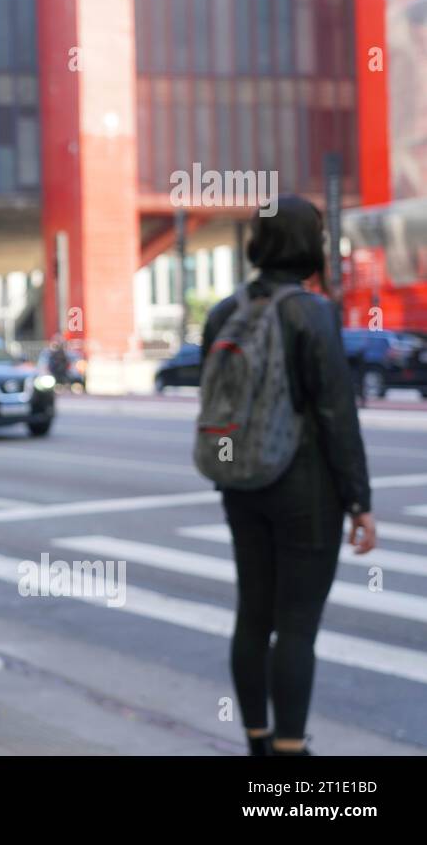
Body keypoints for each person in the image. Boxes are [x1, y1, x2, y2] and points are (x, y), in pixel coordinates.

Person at [201, 195, 376, 757]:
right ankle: (291, 755)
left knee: (253, 613)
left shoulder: (223, 311)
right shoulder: (311, 311)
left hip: (240, 484)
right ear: (309, 244)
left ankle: (257, 741)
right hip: (304, 488)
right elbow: (334, 414)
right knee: (296, 626)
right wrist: (359, 501)